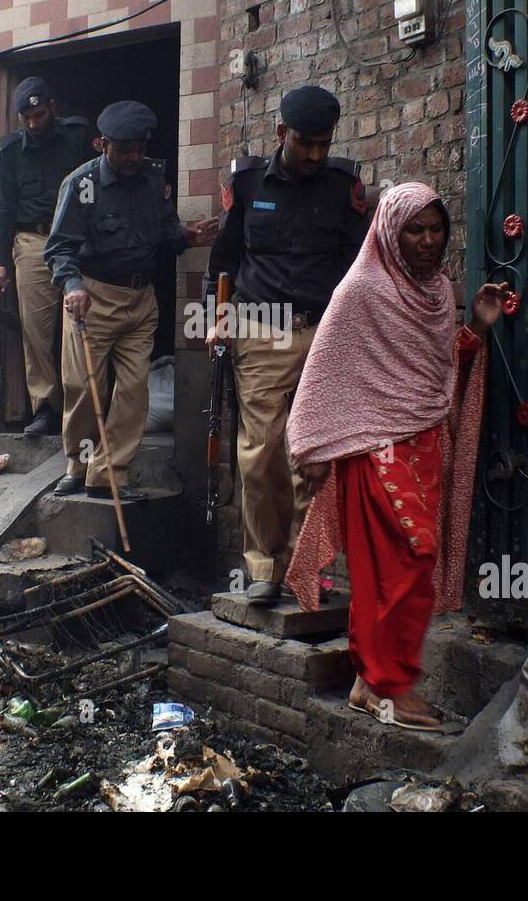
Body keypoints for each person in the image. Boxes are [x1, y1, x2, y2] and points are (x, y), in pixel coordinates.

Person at [284, 182, 509, 731]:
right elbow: (323, 371)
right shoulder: (361, 290)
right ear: (389, 230)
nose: (428, 241)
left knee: (405, 568)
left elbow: (436, 373)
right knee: (401, 564)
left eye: (436, 229)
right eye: (415, 229)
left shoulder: (434, 292)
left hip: (424, 445)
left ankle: (373, 684)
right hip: (374, 451)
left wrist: (476, 326)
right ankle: (390, 686)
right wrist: (310, 443)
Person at [205, 85, 369, 603]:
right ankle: (263, 567)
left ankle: (310, 566)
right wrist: (218, 316)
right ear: (282, 133)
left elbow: (358, 264)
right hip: (262, 327)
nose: (316, 155)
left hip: (324, 330)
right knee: (261, 453)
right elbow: (224, 259)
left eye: (324, 144)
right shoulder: (248, 181)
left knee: (316, 452)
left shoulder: (344, 185)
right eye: (306, 144)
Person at [44, 101, 218, 499]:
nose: (133, 158)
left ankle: (109, 474)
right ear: (102, 144)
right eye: (124, 150)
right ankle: (79, 461)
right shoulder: (81, 184)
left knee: (134, 390)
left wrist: (187, 237)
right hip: (93, 296)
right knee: (85, 386)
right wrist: (72, 286)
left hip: (141, 300)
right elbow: (59, 248)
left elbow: (164, 231)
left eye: (139, 149)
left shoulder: (153, 179)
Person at [0, 77, 96, 436]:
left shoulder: (77, 137)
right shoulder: (9, 152)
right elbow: (1, 209)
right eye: (27, 118)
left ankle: (84, 409)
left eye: (39, 114)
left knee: (82, 325)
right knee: (36, 331)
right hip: (32, 240)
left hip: (75, 240)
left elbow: (95, 186)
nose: (34, 123)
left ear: (53, 106)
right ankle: (45, 408)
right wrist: (0, 260)